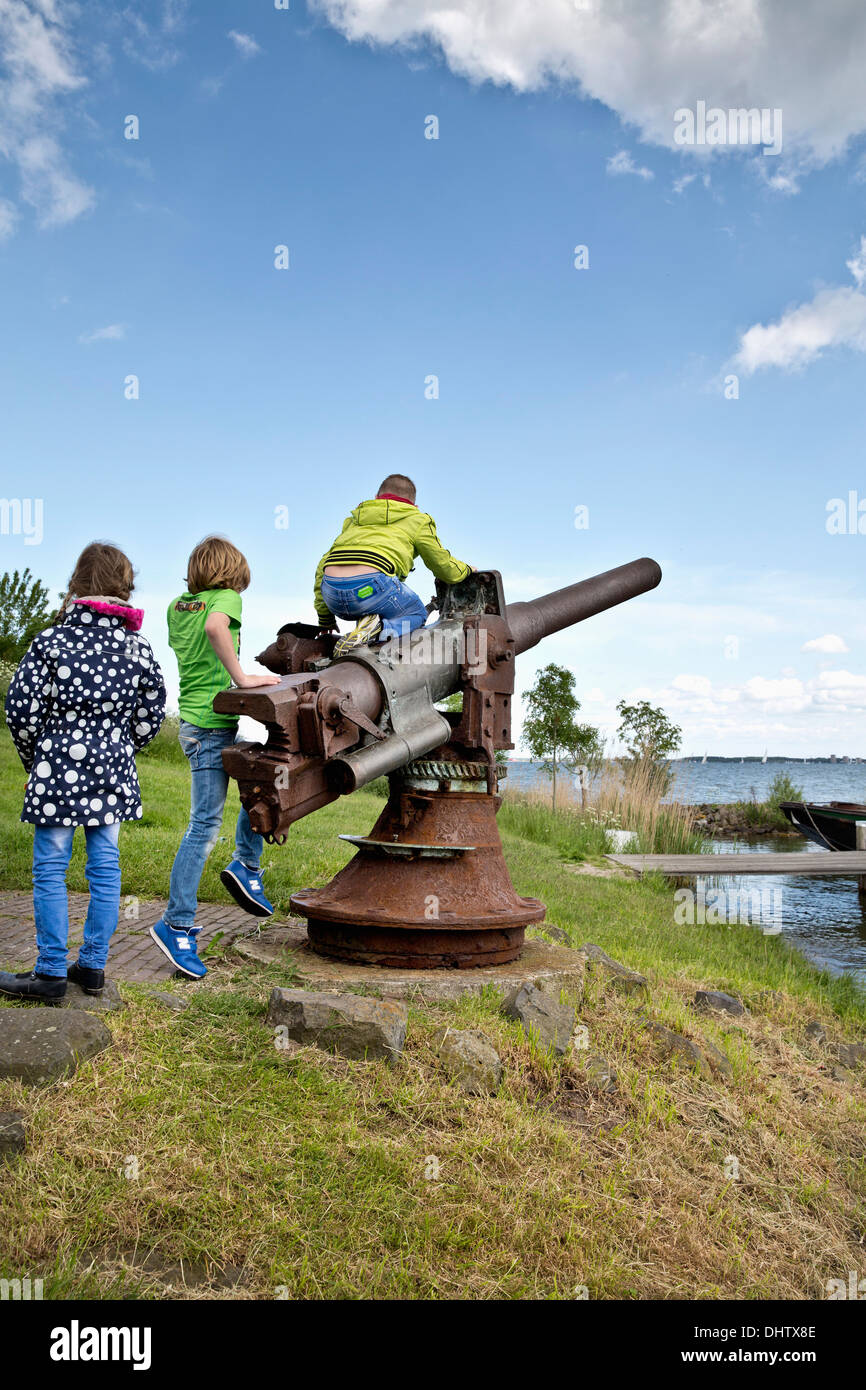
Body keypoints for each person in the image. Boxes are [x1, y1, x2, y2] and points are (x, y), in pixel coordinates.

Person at [1, 543, 166, 1002]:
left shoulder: (51, 641)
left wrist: (35, 759)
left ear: (77, 583)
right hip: (112, 767)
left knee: (51, 866)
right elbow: (152, 712)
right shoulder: (137, 647)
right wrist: (123, 747)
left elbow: (21, 711)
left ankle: (51, 972)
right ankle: (92, 966)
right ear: (124, 586)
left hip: (57, 765)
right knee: (105, 864)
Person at [149, 536, 280, 979]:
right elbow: (215, 629)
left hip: (196, 723)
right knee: (203, 826)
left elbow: (198, 645)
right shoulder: (225, 599)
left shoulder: (176, 606)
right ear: (231, 574)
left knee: (261, 779)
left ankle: (245, 863)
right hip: (209, 726)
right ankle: (175, 925)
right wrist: (242, 677)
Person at [313, 474, 472, 653]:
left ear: (376, 498)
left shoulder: (355, 520)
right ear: (413, 505)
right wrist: (466, 570)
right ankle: (378, 631)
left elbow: (321, 567)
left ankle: (366, 629)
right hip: (368, 590)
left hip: (332, 594)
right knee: (415, 613)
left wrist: (325, 618)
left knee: (374, 602)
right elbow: (443, 566)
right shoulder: (417, 519)